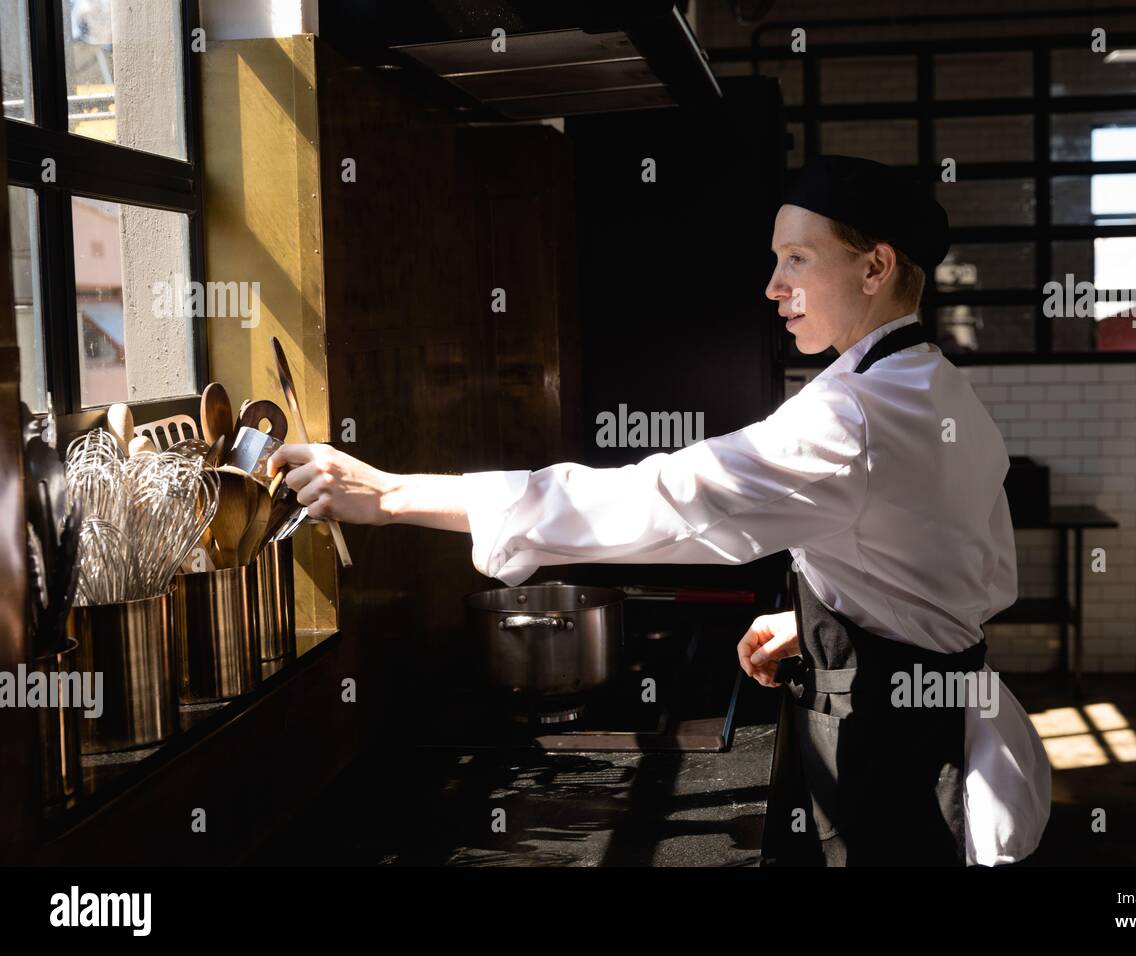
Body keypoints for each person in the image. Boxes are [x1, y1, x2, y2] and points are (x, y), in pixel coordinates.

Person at [268, 155, 1052, 867]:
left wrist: (394, 494)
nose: (773, 286)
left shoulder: (854, 415)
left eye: (797, 260)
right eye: (775, 260)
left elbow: (662, 497)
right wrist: (830, 620)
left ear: (876, 265)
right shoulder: (936, 386)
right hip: (924, 709)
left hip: (894, 756)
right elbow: (956, 570)